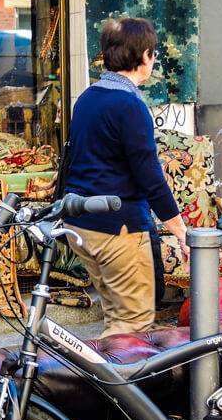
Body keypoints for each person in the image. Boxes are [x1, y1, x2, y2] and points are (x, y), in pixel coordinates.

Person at [63, 17, 188, 337]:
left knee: (115, 321)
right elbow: (149, 174)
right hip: (117, 229)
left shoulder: (88, 98)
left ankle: (101, 382)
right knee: (132, 329)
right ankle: (113, 386)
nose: (154, 59)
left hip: (82, 224)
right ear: (144, 56)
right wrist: (179, 228)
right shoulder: (129, 105)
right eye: (154, 53)